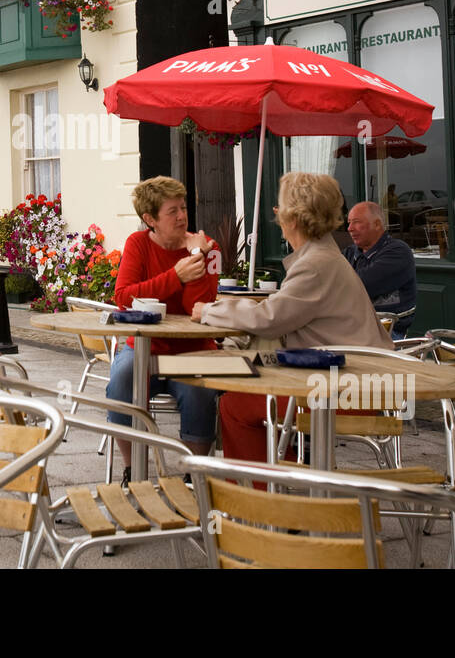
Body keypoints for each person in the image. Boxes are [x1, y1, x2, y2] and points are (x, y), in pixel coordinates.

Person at [191, 172, 390, 463]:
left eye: (278, 208)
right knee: (249, 392)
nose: (276, 215)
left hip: (345, 392)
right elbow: (280, 315)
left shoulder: (315, 264)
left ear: (292, 219)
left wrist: (209, 310)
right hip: (351, 382)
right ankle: (292, 473)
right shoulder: (324, 257)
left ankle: (257, 500)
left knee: (234, 406)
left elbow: (270, 319)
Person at [107, 176, 220, 484]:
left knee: (200, 391)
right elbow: (123, 297)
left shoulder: (210, 249)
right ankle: (134, 469)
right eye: (172, 211)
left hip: (193, 349)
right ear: (150, 219)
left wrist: (197, 258)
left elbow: (201, 309)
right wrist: (175, 275)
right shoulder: (138, 244)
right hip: (145, 345)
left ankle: (192, 474)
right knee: (122, 379)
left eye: (183, 208)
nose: (182, 216)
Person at [343, 201, 417, 340]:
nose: (350, 228)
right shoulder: (349, 253)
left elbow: (361, 285)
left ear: (377, 224)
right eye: (349, 223)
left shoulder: (398, 251)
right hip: (351, 328)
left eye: (356, 222)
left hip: (386, 334)